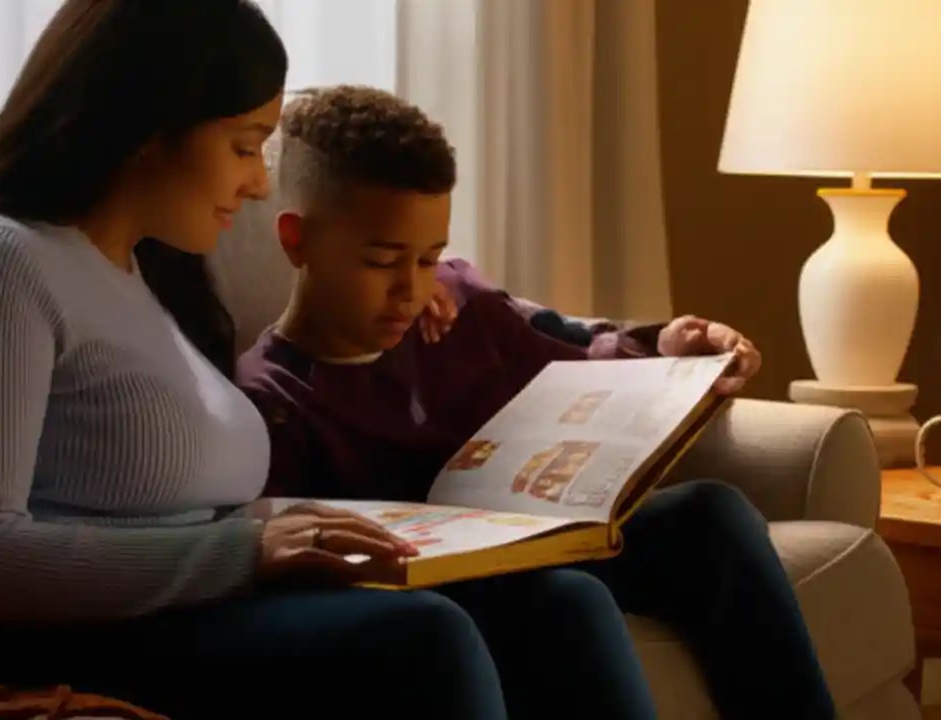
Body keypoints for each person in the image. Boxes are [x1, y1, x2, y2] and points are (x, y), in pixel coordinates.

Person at [0, 3, 631, 718]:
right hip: (38, 639)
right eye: (243, 146)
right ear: (148, 126)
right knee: (419, 640)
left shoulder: (139, 276)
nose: (260, 182)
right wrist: (247, 549)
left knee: (559, 603)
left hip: (181, 607)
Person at [235, 85, 838, 720]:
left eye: (428, 257)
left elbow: (569, 346)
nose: (409, 289)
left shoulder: (457, 304)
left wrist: (668, 346)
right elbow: (296, 570)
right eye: (383, 261)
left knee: (709, 514)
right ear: (297, 241)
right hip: (450, 592)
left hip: (542, 540)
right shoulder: (272, 399)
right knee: (565, 600)